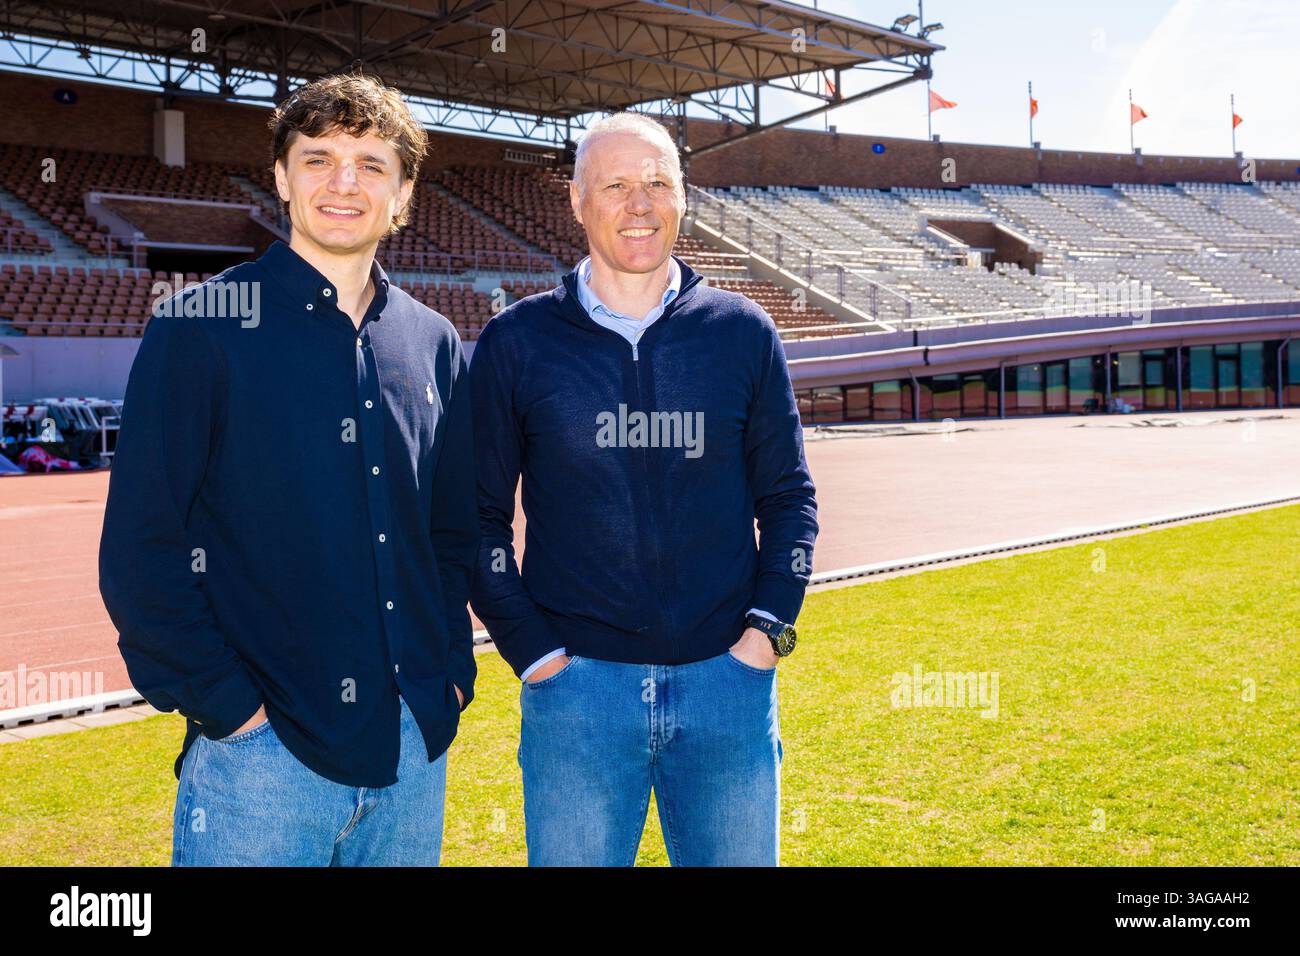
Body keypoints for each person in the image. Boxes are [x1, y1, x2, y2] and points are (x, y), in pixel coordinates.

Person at [98, 72, 477, 866]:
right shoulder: (198, 327)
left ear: (404, 193)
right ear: (280, 177)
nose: (345, 183)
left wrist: (449, 675)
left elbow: (449, 534)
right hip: (261, 767)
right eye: (318, 159)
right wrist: (232, 713)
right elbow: (142, 548)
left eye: (371, 164)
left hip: (413, 750)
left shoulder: (435, 342)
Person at [470, 112, 818, 866]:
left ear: (683, 197)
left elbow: (789, 498)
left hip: (728, 685)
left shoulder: (742, 332)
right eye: (616, 185)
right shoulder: (517, 341)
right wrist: (535, 656)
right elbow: (476, 518)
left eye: (658, 182)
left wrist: (767, 636)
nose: (640, 204)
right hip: (577, 694)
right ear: (577, 200)